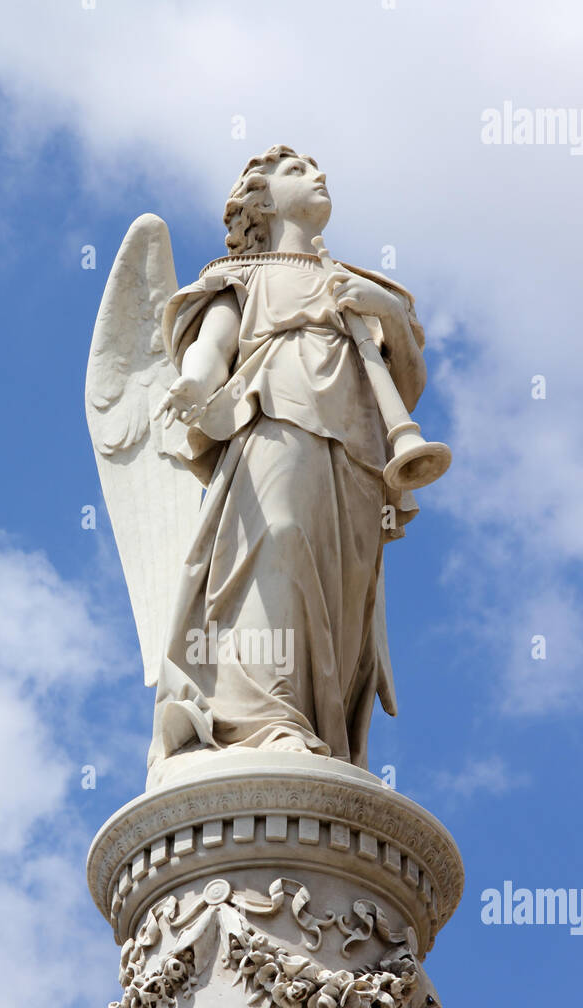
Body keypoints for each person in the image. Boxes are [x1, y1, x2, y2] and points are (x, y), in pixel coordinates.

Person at [148, 145, 427, 776]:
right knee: (278, 540)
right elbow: (214, 344)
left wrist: (383, 310)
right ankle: (267, 720)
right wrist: (195, 383)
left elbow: (406, 379)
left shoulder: (361, 285)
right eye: (298, 171)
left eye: (319, 168)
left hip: (357, 451)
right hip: (274, 417)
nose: (320, 175)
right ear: (263, 201)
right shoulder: (241, 276)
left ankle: (320, 728)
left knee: (346, 588)